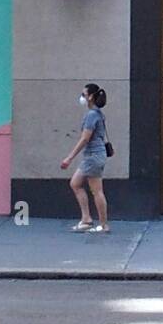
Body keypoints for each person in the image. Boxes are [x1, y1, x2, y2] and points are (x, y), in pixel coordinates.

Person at [61, 84, 110, 233]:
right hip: (94, 155)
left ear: (90, 97)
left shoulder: (92, 115)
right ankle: (86, 219)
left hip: (93, 156)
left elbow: (85, 138)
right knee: (75, 183)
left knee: (97, 191)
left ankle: (103, 224)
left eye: (83, 94)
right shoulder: (97, 113)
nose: (81, 97)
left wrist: (69, 158)